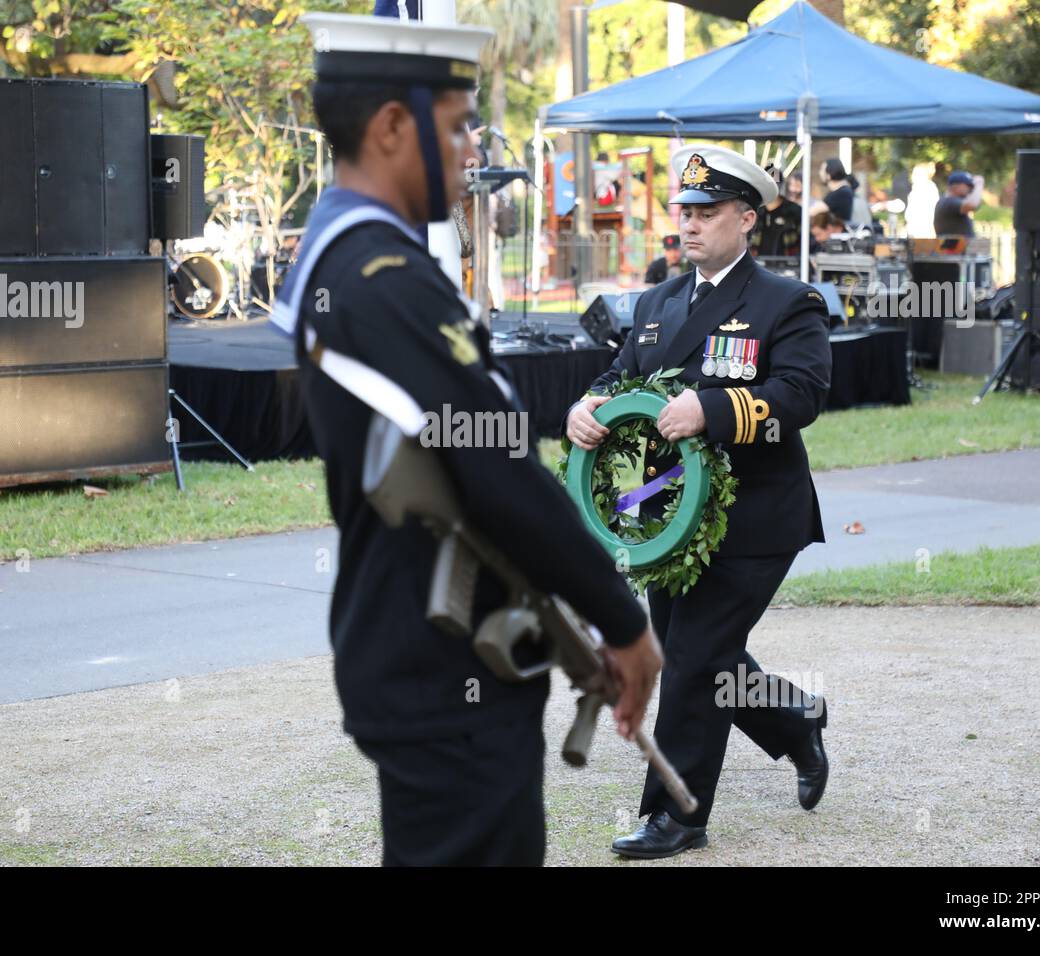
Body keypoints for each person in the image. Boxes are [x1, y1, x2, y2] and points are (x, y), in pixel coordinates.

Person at [272, 11, 663, 867]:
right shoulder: (380, 277)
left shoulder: (344, 261)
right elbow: (495, 466)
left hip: (430, 650)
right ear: (388, 127)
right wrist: (623, 621)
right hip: (442, 667)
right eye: (455, 131)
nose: (470, 154)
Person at [566, 145, 832, 858]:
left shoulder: (788, 301)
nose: (688, 224)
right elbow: (618, 376)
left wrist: (711, 411)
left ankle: (676, 814)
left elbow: (801, 397)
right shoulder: (656, 302)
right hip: (669, 522)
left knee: (691, 658)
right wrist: (587, 407)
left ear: (746, 219)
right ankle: (793, 719)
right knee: (701, 655)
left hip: (755, 517)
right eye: (683, 212)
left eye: (706, 213)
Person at [750, 164, 802, 258]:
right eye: (767, 184)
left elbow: (805, 241)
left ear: (781, 185)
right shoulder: (754, 211)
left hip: (788, 265)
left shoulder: (795, 211)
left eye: (775, 183)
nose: (772, 188)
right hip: (758, 264)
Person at [934, 170, 983, 239]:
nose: (970, 189)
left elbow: (976, 205)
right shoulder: (948, 202)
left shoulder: (947, 202)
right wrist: (978, 183)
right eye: (968, 186)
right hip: (952, 248)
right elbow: (973, 205)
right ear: (956, 186)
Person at [810, 157, 855, 224]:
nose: (820, 173)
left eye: (822, 170)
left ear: (829, 175)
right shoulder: (841, 191)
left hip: (836, 233)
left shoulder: (841, 193)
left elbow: (812, 212)